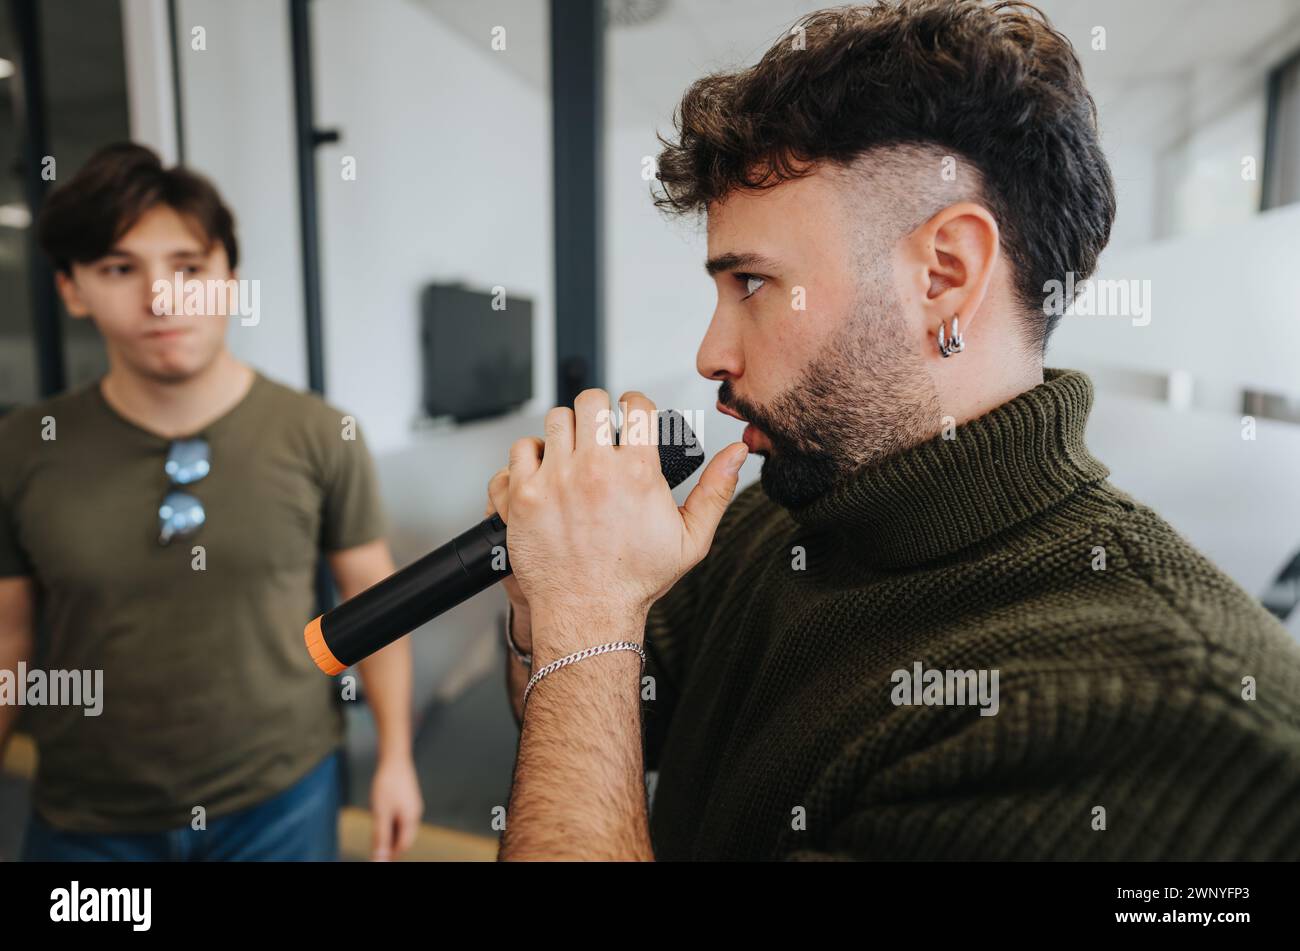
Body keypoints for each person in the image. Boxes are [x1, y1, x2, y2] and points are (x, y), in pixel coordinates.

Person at [486, 0, 1300, 860]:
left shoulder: (1159, 721)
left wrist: (586, 615)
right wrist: (552, 589)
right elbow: (593, 719)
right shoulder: (786, 513)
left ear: (945, 275)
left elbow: (588, 666)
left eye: (754, 284)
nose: (709, 352)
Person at [0, 143, 422, 861]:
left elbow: (373, 600)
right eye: (118, 269)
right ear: (72, 289)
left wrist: (395, 759)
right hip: (88, 814)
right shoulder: (23, 446)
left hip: (280, 800)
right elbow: (8, 637)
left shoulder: (320, 432)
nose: (161, 298)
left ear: (229, 276)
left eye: (188, 268)